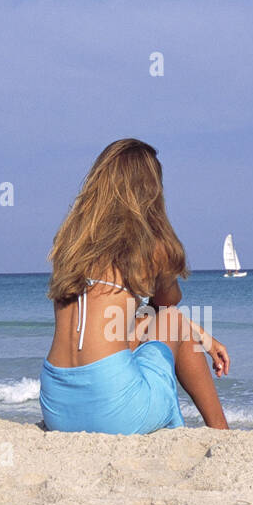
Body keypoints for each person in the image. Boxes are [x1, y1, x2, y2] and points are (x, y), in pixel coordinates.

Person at [40, 138, 230, 433]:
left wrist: (203, 335)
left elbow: (116, 323)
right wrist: (200, 335)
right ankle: (220, 430)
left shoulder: (69, 244)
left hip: (57, 407)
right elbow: (167, 308)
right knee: (171, 321)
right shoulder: (152, 246)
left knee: (133, 324)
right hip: (113, 412)